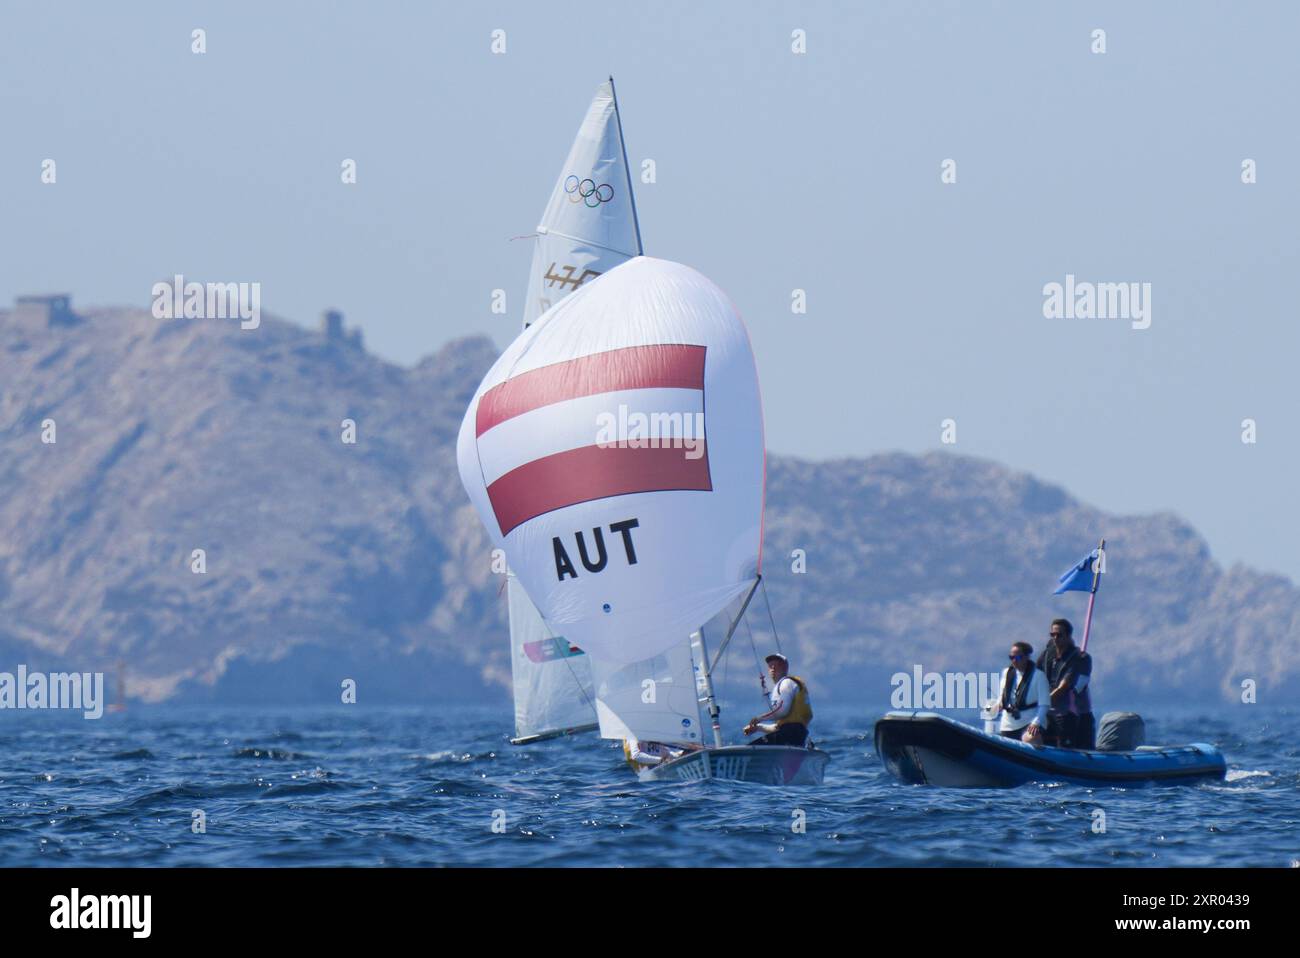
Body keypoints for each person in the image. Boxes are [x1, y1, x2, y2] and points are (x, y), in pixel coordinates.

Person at [1037, 618, 1095, 749]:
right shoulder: (1047, 655)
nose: (1055, 638)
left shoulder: (1080, 658)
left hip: (1075, 714)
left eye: (1059, 635)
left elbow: (1065, 686)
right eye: (1053, 635)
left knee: (1077, 747)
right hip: (1050, 713)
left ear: (1068, 636)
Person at [742, 654, 813, 747]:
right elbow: (779, 727)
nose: (773, 668)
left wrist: (759, 719)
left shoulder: (786, 683)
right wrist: (758, 728)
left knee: (750, 748)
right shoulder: (786, 685)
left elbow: (782, 711)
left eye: (777, 665)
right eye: (770, 666)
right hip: (797, 736)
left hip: (791, 734)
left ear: (785, 668)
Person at [987, 641, 1048, 745]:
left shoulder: (1039, 676)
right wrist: (995, 707)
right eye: (1011, 657)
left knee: (1030, 739)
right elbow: (1003, 697)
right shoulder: (1007, 673)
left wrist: (1036, 723)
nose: (1014, 661)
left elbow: (1044, 705)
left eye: (1018, 658)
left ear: (1027, 657)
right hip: (1008, 724)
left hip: (1029, 721)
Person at [622, 736, 697, 770]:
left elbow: (666, 751)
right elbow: (636, 756)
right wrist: (661, 760)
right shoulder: (633, 736)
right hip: (650, 769)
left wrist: (681, 754)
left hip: (664, 763)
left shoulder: (653, 733)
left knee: (690, 751)